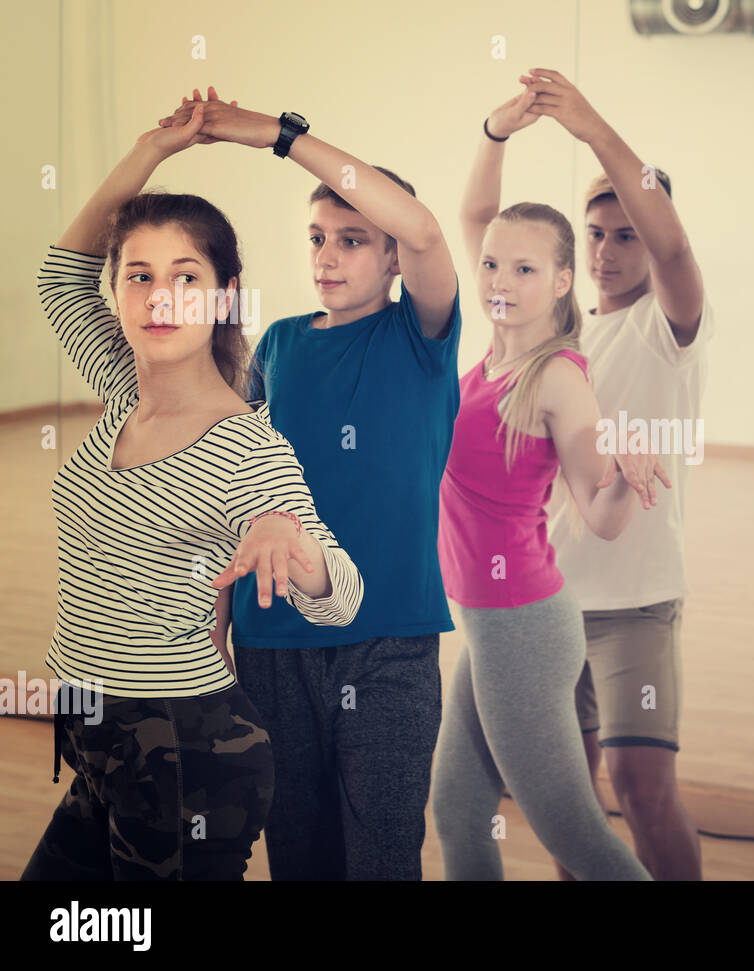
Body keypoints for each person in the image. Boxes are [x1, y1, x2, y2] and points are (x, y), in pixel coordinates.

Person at [22, 103, 363, 881]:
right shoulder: (122, 389)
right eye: (139, 276)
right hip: (102, 744)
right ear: (118, 290)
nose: (160, 297)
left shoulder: (248, 447)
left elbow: (340, 594)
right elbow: (59, 276)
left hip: (184, 756)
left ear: (224, 295)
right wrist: (151, 148)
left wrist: (294, 545)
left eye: (187, 277)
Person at [155, 88, 461, 880]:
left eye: (353, 240)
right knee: (297, 850)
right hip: (275, 637)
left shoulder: (421, 337)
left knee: (382, 853)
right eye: (318, 237)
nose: (327, 256)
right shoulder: (282, 344)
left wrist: (277, 137)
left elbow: (425, 226)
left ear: (393, 257)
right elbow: (241, 477)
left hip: (389, 643)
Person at [463, 73, 713, 880]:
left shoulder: (669, 325)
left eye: (625, 234)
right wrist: (495, 133)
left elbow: (673, 247)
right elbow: (477, 227)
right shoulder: (549, 329)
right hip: (549, 604)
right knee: (570, 805)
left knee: (643, 789)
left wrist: (591, 127)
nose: (608, 251)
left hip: (635, 601)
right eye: (595, 234)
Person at [431, 200, 653, 881]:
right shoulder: (492, 361)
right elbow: (473, 210)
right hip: (490, 624)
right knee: (457, 811)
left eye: (525, 268)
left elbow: (601, 513)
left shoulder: (556, 374)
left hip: (521, 624)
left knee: (573, 831)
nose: (501, 280)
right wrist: (496, 130)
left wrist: (628, 476)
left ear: (562, 280)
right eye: (493, 263)